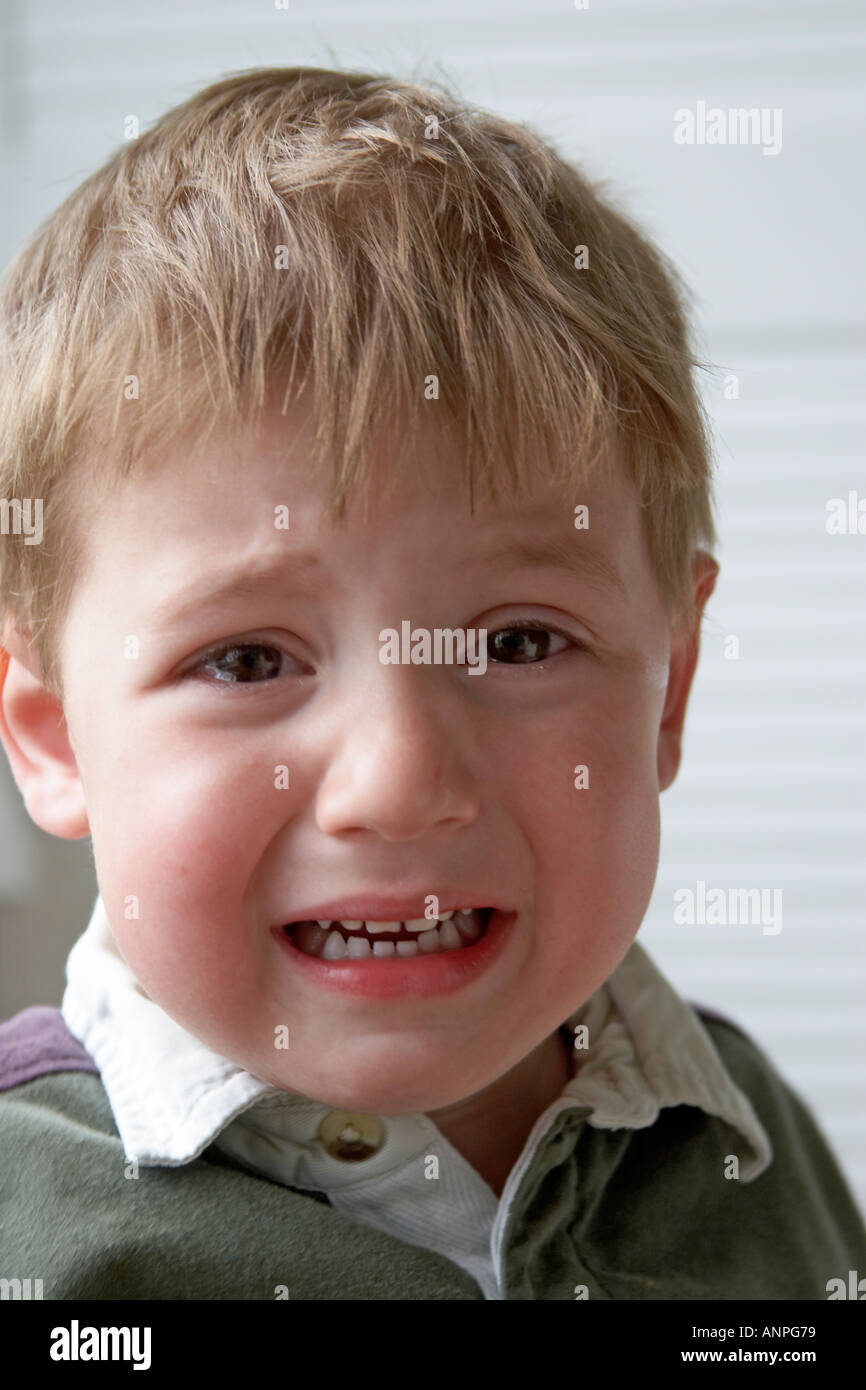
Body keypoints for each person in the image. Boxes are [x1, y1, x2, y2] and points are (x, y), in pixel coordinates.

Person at [0, 66, 863, 1301]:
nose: (399, 785)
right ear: (53, 737)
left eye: (516, 643)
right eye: (247, 660)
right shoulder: (25, 1222)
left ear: (665, 691)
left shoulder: (741, 1142)